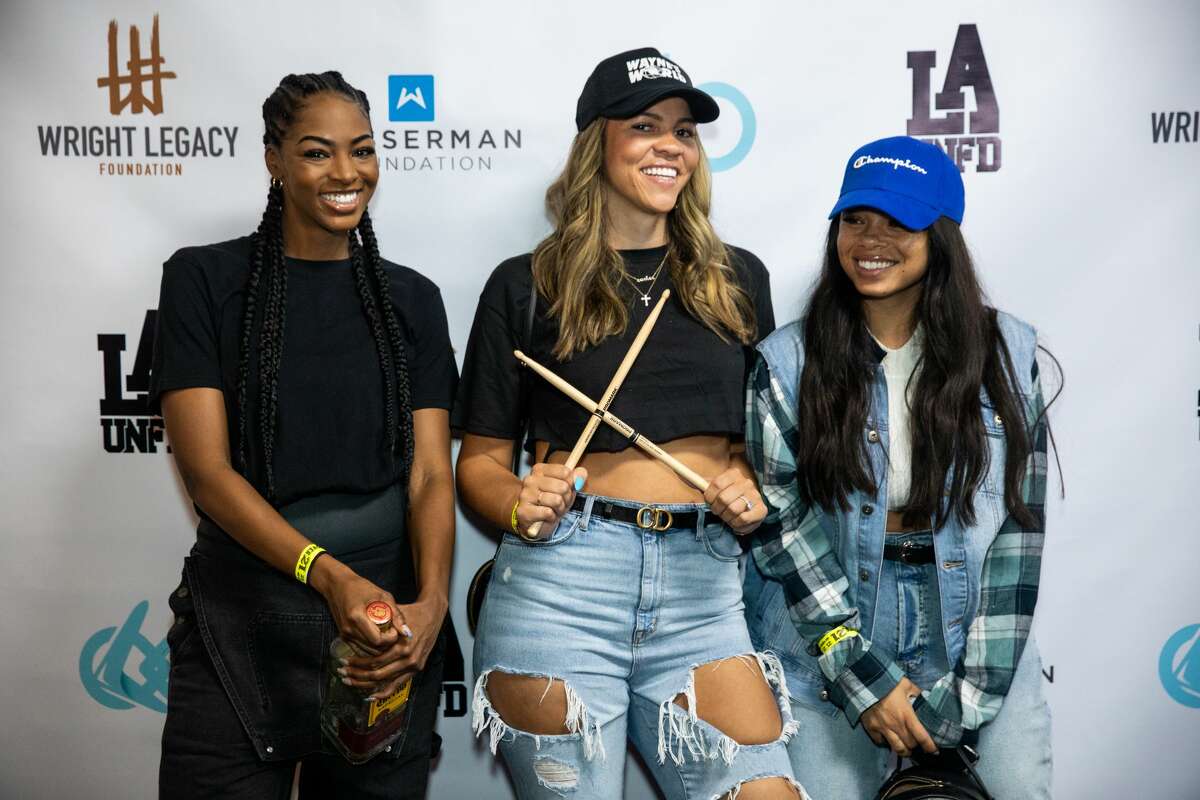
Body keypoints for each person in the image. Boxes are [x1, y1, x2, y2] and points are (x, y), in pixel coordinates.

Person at [452, 48, 804, 800]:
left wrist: (747, 483)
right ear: (597, 144)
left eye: (683, 131)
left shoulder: (738, 279)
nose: (669, 146)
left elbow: (760, 451)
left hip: (703, 590)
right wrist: (518, 500)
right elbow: (478, 465)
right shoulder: (527, 284)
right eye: (645, 126)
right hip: (560, 586)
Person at [151, 71, 456, 799]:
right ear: (274, 160)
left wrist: (433, 606)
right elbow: (209, 477)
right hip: (242, 613)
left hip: (383, 632)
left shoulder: (412, 300)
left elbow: (429, 477)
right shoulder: (203, 280)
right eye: (318, 153)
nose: (347, 173)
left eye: (362, 150)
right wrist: (329, 575)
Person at [744, 135, 1055, 798]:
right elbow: (783, 528)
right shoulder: (786, 363)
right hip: (829, 632)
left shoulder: (1007, 354)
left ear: (939, 234)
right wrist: (857, 670)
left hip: (976, 623)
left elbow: (1019, 532)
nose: (870, 238)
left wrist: (970, 699)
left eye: (897, 222)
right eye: (855, 218)